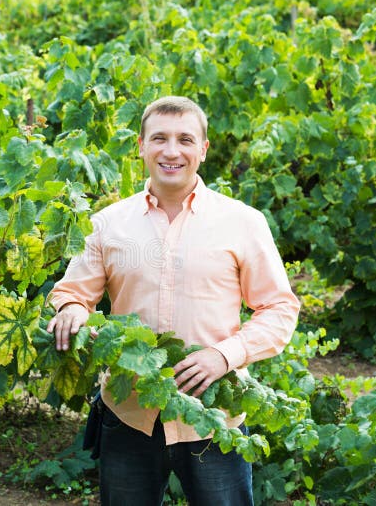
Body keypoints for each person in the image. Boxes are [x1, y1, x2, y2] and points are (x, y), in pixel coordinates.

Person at [46, 96, 300, 505]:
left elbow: (279, 308)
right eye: (159, 138)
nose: (171, 151)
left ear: (203, 148)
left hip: (214, 416)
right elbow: (73, 292)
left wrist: (223, 355)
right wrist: (72, 311)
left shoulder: (243, 222)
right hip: (129, 411)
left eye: (185, 139)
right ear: (142, 146)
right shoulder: (108, 223)